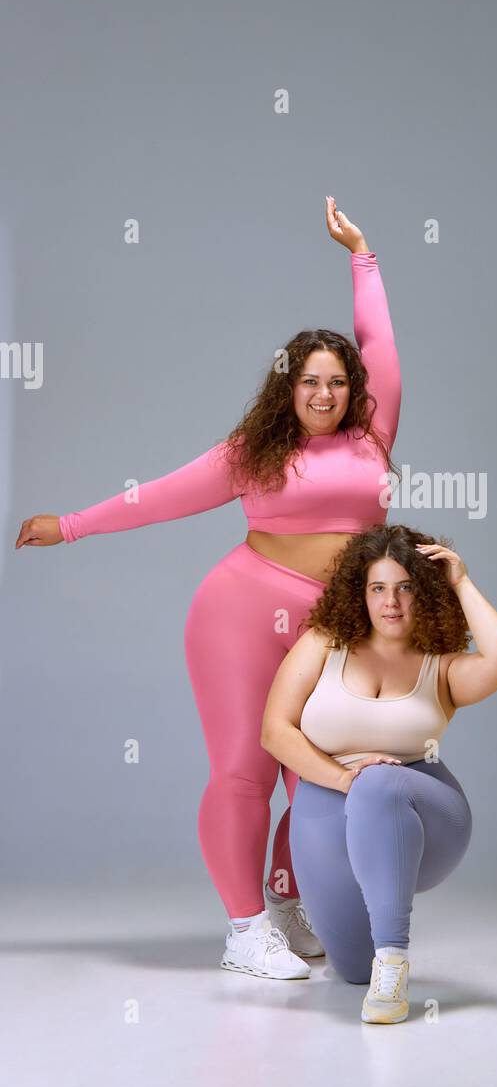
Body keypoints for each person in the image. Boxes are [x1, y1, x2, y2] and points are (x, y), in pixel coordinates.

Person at [15, 197, 403, 981]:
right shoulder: (251, 452)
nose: (323, 394)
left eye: (336, 383)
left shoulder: (373, 435)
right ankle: (243, 927)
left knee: (322, 778)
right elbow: (155, 494)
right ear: (286, 387)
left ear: (353, 390)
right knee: (245, 770)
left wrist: (362, 256)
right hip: (240, 613)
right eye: (308, 382)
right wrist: (73, 523)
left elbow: (382, 345)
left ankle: (289, 901)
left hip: (334, 625)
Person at [260, 523, 497, 1023]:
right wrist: (342, 779)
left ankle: (394, 961)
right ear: (360, 594)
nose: (391, 602)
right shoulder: (324, 643)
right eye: (378, 588)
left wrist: (461, 581)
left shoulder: (441, 668)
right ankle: (376, 963)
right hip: (324, 813)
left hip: (425, 817)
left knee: (379, 782)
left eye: (405, 587)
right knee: (352, 970)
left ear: (424, 593)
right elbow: (276, 731)